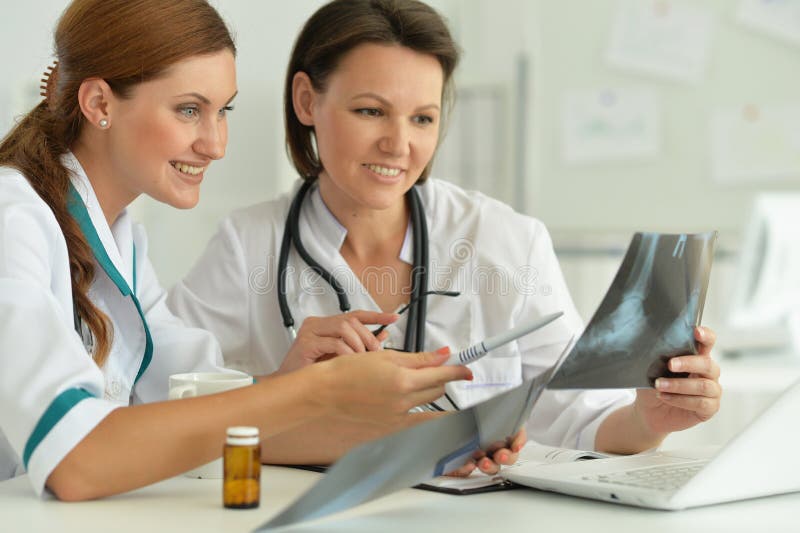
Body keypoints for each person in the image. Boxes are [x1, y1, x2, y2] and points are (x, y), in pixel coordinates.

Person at [167, 0, 721, 475]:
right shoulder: (249, 245)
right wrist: (283, 385)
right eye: (370, 111)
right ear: (308, 101)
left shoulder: (505, 240)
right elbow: (159, 401)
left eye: (423, 119)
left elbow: (581, 418)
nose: (398, 144)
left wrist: (651, 420)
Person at [0, 0, 472, 501]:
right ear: (99, 104)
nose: (216, 144)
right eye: (189, 110)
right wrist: (314, 390)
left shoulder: (121, 241)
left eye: (222, 111)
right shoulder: (13, 220)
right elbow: (79, 461)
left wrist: (452, 438)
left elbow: (197, 414)